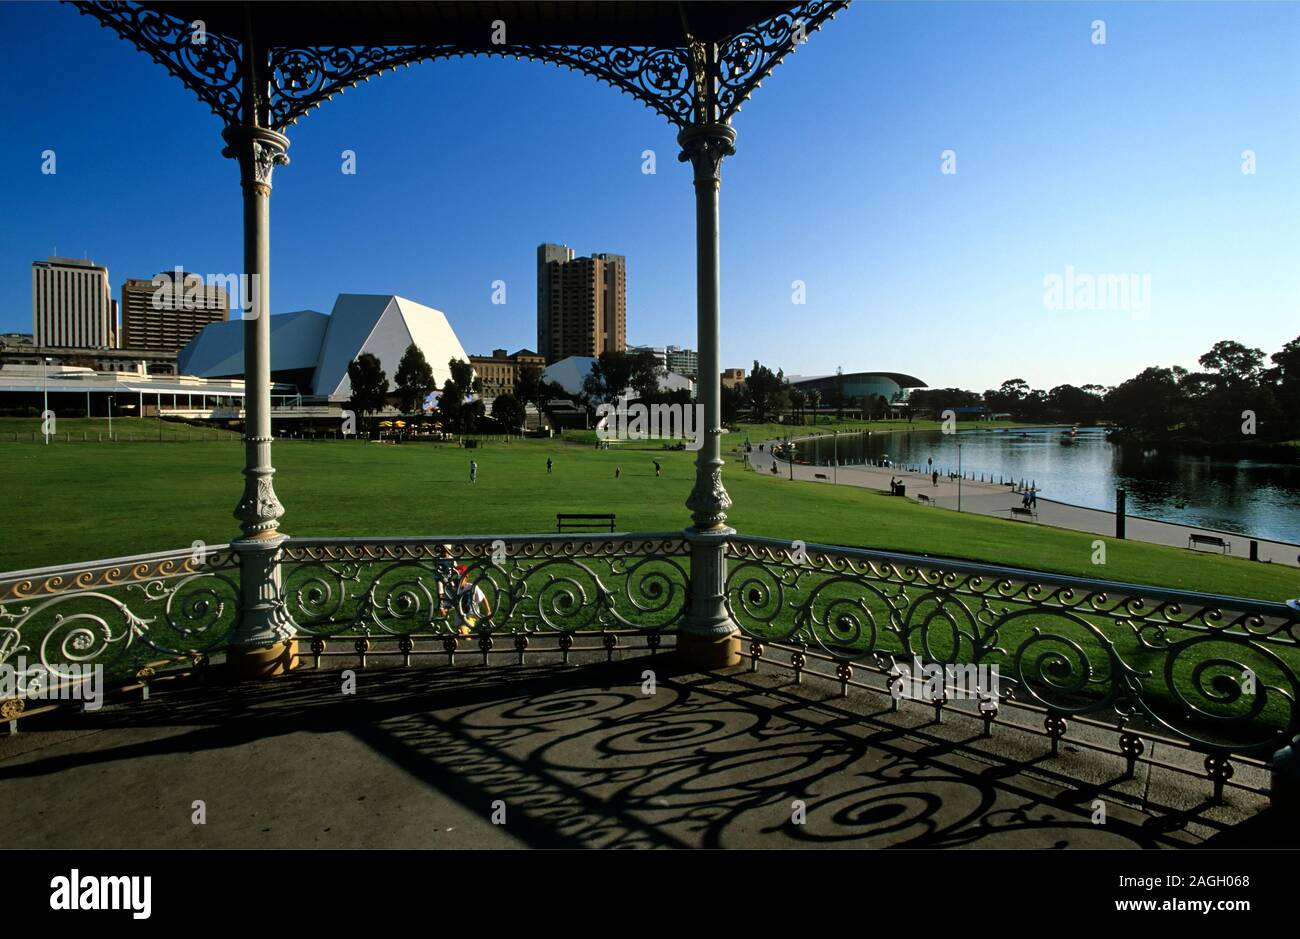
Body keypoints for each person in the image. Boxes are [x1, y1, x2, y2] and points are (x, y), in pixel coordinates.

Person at [453, 568, 492, 636]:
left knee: (463, 630)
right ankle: (468, 643)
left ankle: (468, 644)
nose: (457, 582)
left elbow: (483, 598)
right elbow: (448, 603)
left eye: (459, 579)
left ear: (466, 578)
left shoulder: (472, 587)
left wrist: (488, 611)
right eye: (455, 579)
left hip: (471, 616)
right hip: (459, 619)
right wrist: (444, 609)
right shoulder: (453, 590)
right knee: (460, 633)